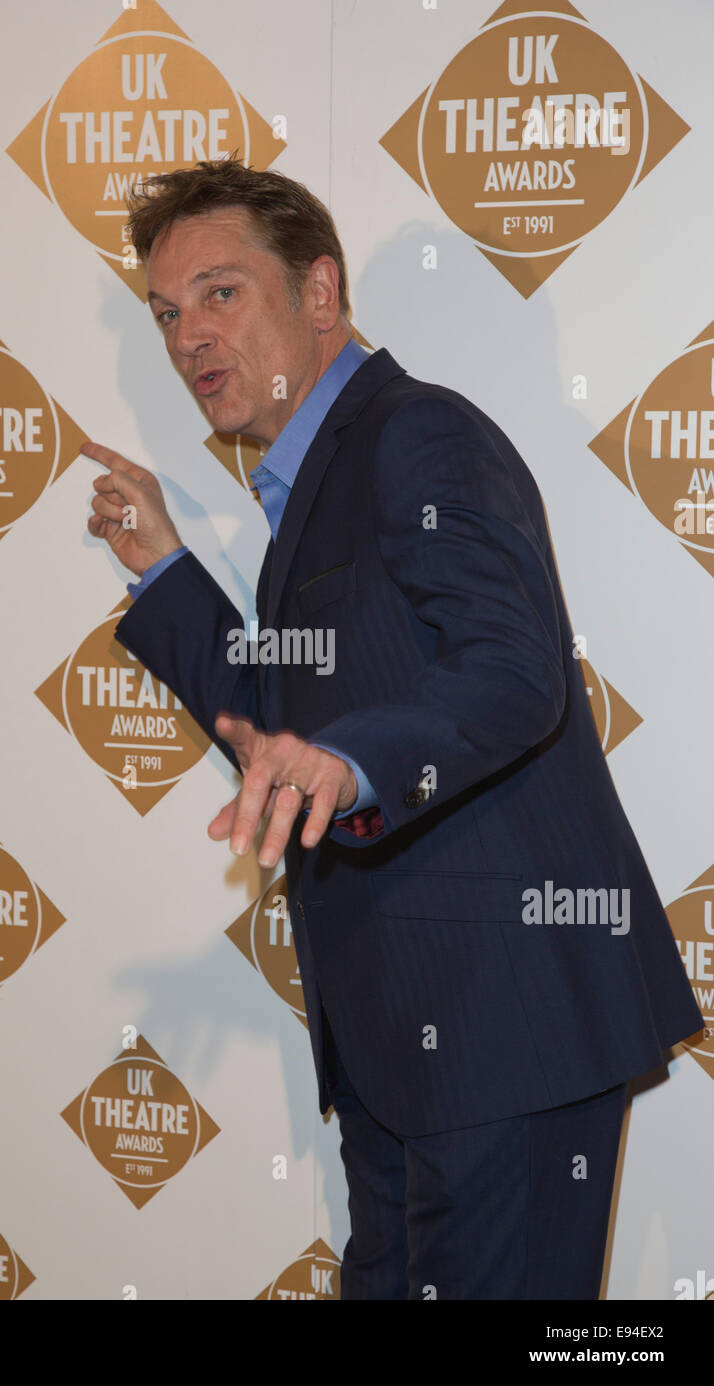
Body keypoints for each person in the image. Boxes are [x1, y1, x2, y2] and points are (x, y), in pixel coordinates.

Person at [83, 156, 702, 1300]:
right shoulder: (314, 483)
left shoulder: (415, 436)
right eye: (167, 314)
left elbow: (514, 672)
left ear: (319, 293)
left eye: (221, 293)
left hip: (498, 1030)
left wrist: (352, 754)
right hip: (396, 1045)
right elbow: (285, 743)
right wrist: (168, 571)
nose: (187, 340)